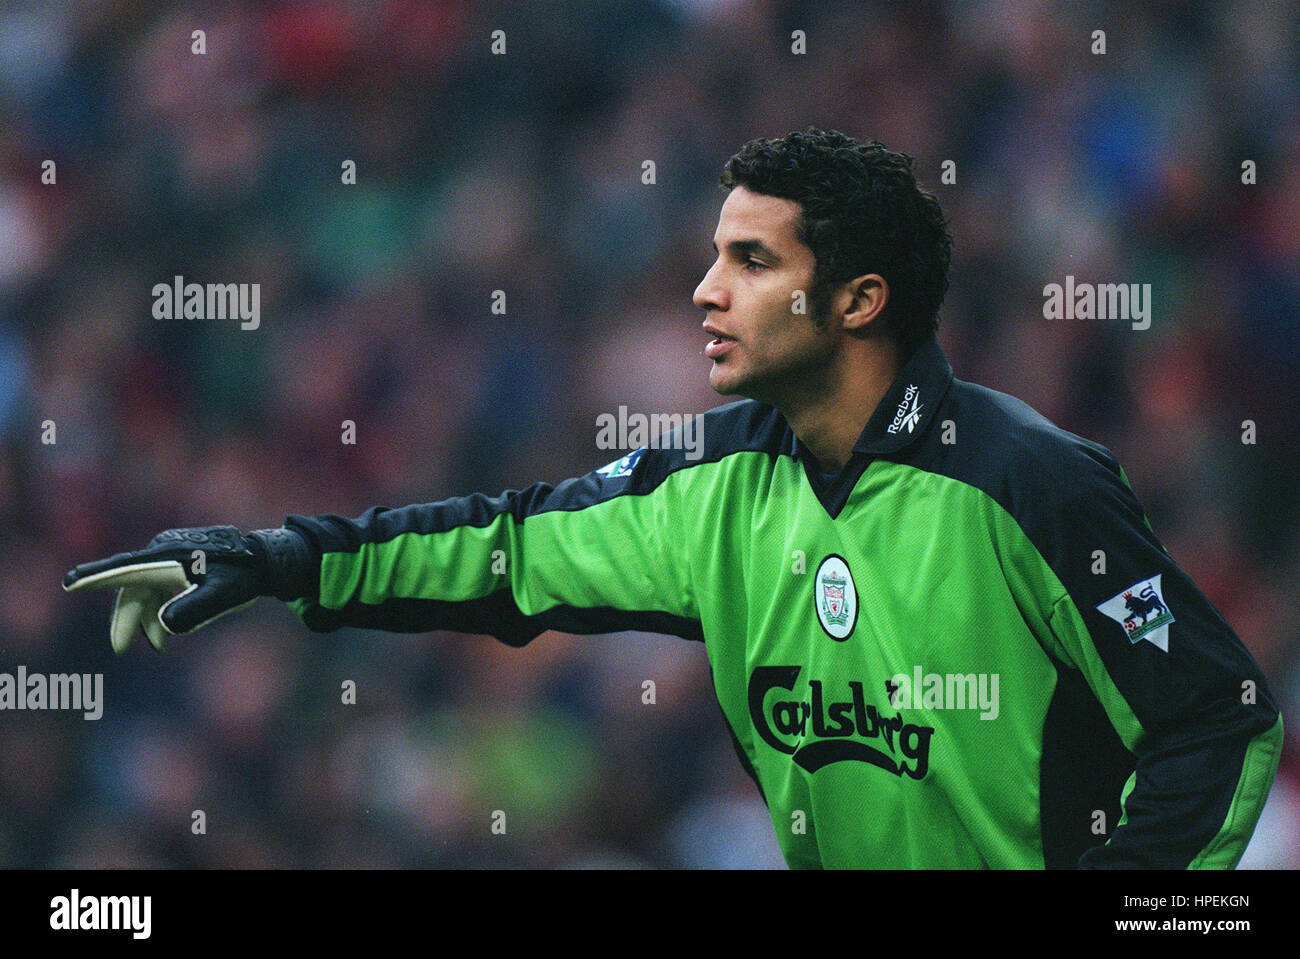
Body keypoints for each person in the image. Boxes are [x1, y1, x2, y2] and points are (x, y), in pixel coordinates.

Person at [65, 127, 1283, 869]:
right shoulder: (711, 485)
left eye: (750, 260)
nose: (705, 289)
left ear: (858, 300)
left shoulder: (1026, 481)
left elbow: (1221, 723)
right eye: (713, 255)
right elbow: (503, 547)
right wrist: (285, 559)